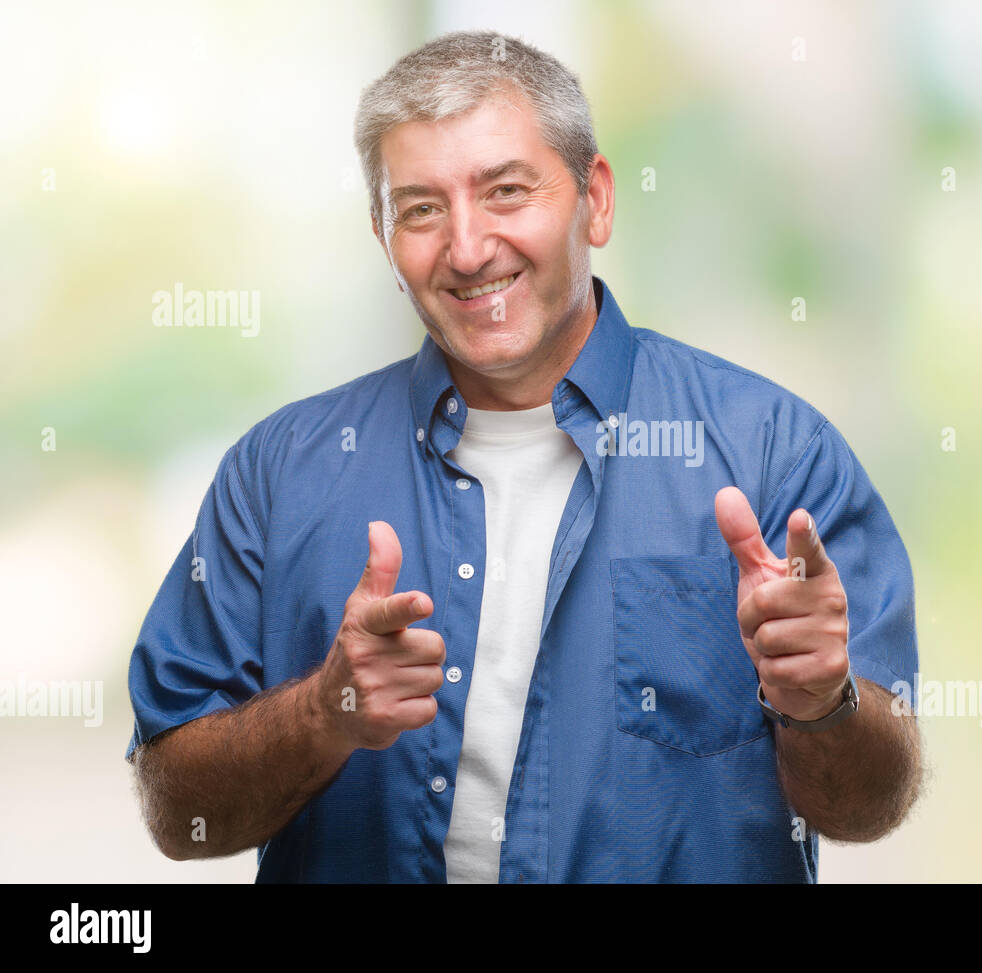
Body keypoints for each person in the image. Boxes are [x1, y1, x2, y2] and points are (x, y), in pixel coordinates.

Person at [126, 29, 923, 883]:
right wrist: (326, 712)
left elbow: (868, 808)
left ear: (597, 201)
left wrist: (820, 701)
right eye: (422, 208)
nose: (467, 249)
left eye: (506, 191)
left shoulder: (773, 453)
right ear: (383, 236)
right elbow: (179, 815)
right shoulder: (278, 474)